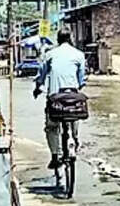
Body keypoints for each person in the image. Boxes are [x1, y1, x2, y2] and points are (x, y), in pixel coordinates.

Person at [33, 32, 87, 169]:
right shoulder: (79, 54)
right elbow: (81, 80)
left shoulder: (50, 54)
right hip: (72, 99)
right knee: (74, 117)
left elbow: (42, 75)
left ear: (58, 40)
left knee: (51, 127)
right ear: (70, 39)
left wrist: (38, 87)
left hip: (55, 99)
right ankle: (75, 139)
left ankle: (55, 156)